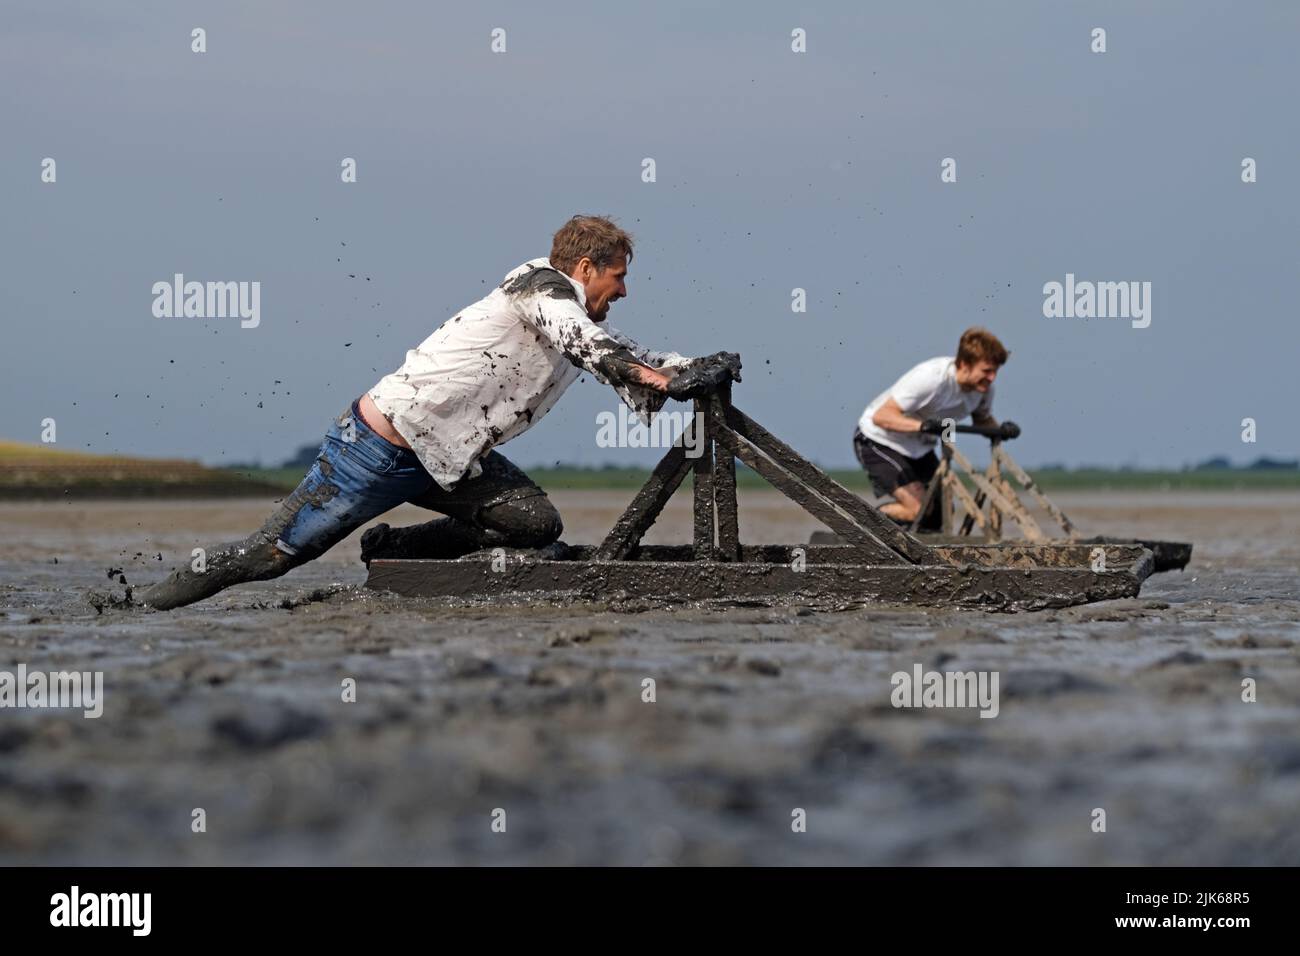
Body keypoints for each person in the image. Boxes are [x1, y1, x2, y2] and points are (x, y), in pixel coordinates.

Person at [141, 215, 739, 609]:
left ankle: (394, 550)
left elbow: (631, 353)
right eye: (619, 277)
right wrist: (661, 380)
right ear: (584, 270)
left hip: (449, 458)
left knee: (535, 526)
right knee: (270, 557)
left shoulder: (573, 315)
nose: (625, 290)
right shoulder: (538, 288)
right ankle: (138, 606)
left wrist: (691, 367)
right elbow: (597, 350)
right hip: (377, 451)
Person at [852, 327, 1018, 529]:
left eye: (995, 371)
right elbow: (882, 416)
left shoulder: (983, 390)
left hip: (920, 447)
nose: (992, 378)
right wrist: (922, 426)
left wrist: (1001, 429)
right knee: (917, 508)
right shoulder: (932, 378)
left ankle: (910, 551)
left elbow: (982, 421)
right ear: (965, 364)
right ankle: (859, 529)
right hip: (878, 440)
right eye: (986, 371)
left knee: (942, 512)